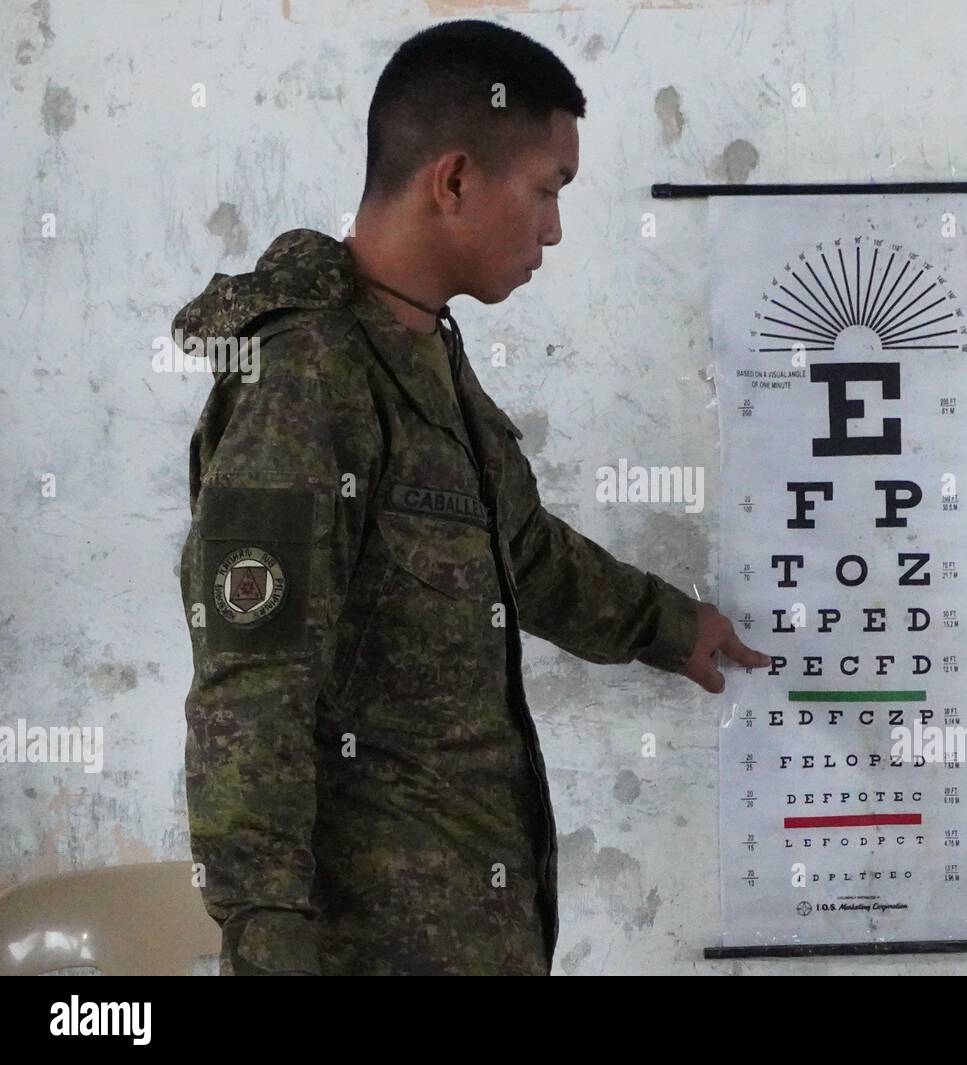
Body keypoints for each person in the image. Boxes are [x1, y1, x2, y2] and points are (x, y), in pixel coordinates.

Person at [175, 18, 769, 976]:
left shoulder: (422, 350)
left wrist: (669, 624)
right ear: (453, 180)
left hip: (473, 930)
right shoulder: (308, 380)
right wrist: (268, 938)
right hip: (367, 945)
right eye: (546, 190)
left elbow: (517, 551)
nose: (553, 228)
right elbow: (252, 691)